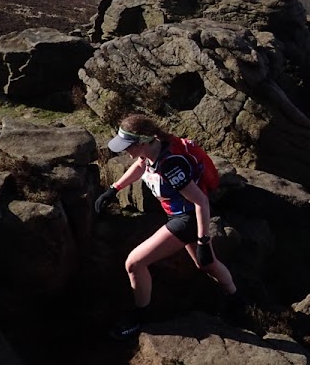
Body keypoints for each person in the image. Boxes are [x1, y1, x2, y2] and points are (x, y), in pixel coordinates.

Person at [94, 114, 240, 339]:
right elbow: (141, 166)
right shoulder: (152, 152)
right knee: (206, 264)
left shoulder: (170, 164)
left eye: (128, 146)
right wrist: (114, 188)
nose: (125, 151)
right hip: (180, 216)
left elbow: (200, 201)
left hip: (186, 220)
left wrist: (203, 240)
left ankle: (139, 318)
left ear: (143, 141)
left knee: (134, 264)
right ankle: (237, 301)